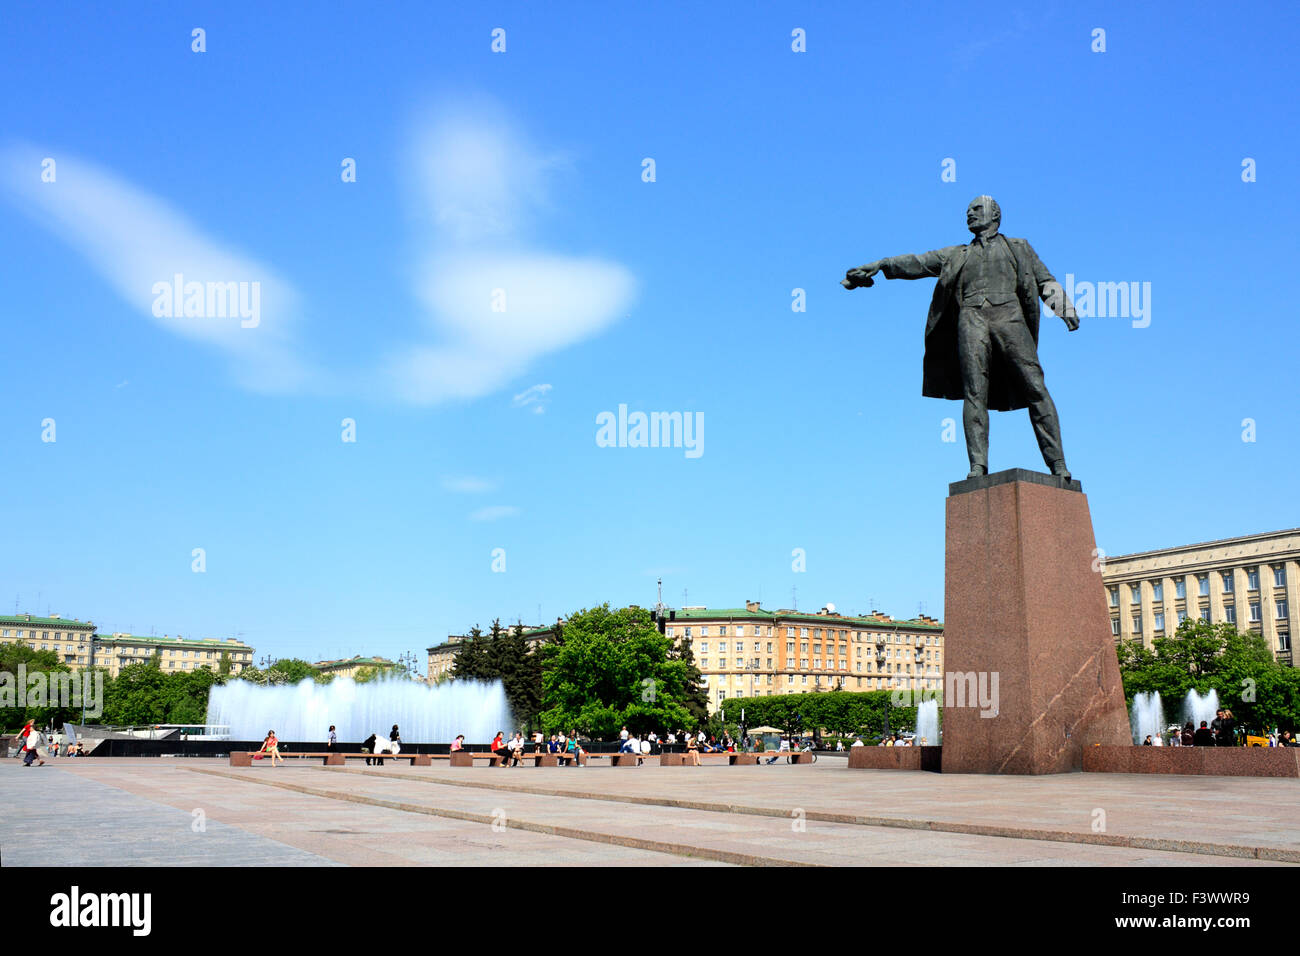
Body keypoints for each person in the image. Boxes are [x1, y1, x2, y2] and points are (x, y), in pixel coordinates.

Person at [844, 195, 1080, 480]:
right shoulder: (956, 254)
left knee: (1036, 388)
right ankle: (978, 466)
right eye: (967, 210)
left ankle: (1058, 464)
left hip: (1010, 317)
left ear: (995, 216)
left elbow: (1044, 280)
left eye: (976, 209)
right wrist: (881, 265)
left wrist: (1064, 307)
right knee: (975, 393)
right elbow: (918, 262)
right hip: (971, 320)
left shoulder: (1018, 247)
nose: (969, 213)